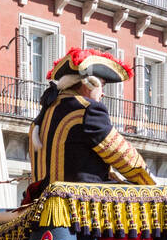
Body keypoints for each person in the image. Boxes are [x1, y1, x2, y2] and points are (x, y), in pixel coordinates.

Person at [22, 48, 154, 203]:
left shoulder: (41, 116)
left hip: (40, 207)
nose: (103, 93)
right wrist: (152, 184)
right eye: (102, 85)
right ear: (90, 83)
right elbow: (126, 159)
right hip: (79, 209)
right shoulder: (88, 110)